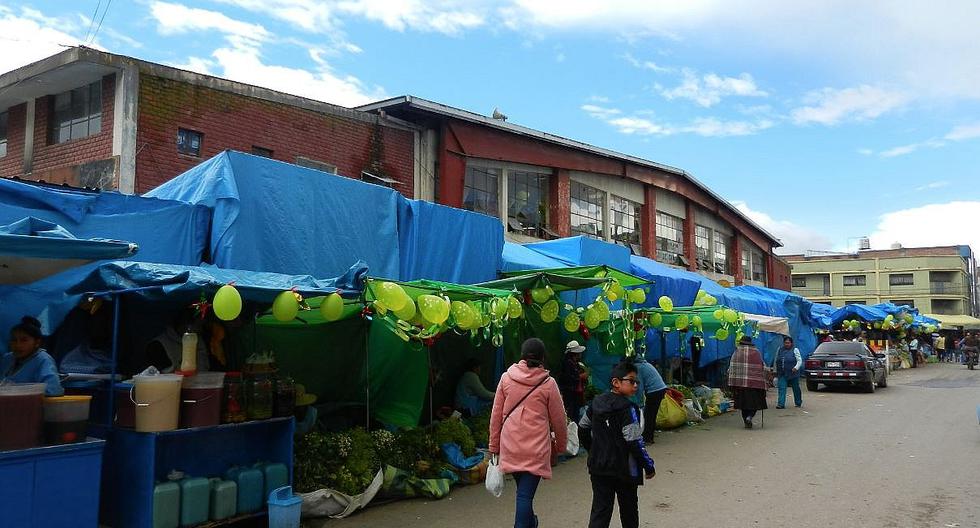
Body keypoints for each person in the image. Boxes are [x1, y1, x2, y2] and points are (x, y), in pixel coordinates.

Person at [489, 338, 567, 528]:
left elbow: (496, 416)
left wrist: (493, 446)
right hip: (536, 448)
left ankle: (531, 522)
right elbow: (559, 420)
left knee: (523, 493)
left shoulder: (506, 378)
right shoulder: (548, 383)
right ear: (543, 357)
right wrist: (560, 447)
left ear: (522, 356)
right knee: (524, 495)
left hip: (510, 446)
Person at [578, 361, 655, 528]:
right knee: (629, 512)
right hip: (624, 469)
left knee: (600, 511)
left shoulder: (595, 403)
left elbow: (583, 428)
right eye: (631, 381)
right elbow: (634, 441)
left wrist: (594, 450)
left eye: (637, 382)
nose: (635, 385)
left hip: (599, 467)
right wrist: (648, 465)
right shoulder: (628, 409)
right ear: (616, 382)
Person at [2, 316, 64, 396]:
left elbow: (53, 390)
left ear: (37, 342)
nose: (17, 345)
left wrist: (19, 391)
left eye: (24, 340)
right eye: (14, 340)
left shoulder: (43, 360)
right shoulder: (8, 358)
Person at [145, 311, 210, 373]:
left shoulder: (199, 341)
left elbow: (204, 370)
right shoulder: (158, 346)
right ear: (187, 325)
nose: (201, 330)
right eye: (199, 326)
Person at [727, 335, 768, 429]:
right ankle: (750, 417)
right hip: (754, 384)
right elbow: (762, 366)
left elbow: (732, 367)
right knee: (755, 404)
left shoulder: (737, 352)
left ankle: (746, 419)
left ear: (741, 343)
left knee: (743, 405)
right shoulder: (756, 352)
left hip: (740, 384)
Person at [632, 354, 667, 443]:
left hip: (654, 391)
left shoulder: (638, 367)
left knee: (649, 415)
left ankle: (648, 438)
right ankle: (649, 436)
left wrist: (639, 403)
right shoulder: (645, 364)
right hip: (660, 389)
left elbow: (639, 386)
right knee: (651, 414)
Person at [558, 340, 588, 422]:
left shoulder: (577, 364)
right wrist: (581, 376)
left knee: (576, 413)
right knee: (572, 414)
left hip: (577, 395)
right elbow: (568, 378)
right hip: (570, 394)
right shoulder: (567, 364)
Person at [775, 336, 803, 409]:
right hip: (782, 373)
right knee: (782, 388)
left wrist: (796, 368)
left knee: (796, 388)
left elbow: (799, 360)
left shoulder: (795, 350)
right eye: (785, 343)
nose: (787, 344)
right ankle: (780, 404)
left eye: (788, 343)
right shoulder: (780, 350)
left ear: (791, 343)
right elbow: (776, 360)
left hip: (793, 373)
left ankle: (798, 402)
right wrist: (775, 371)